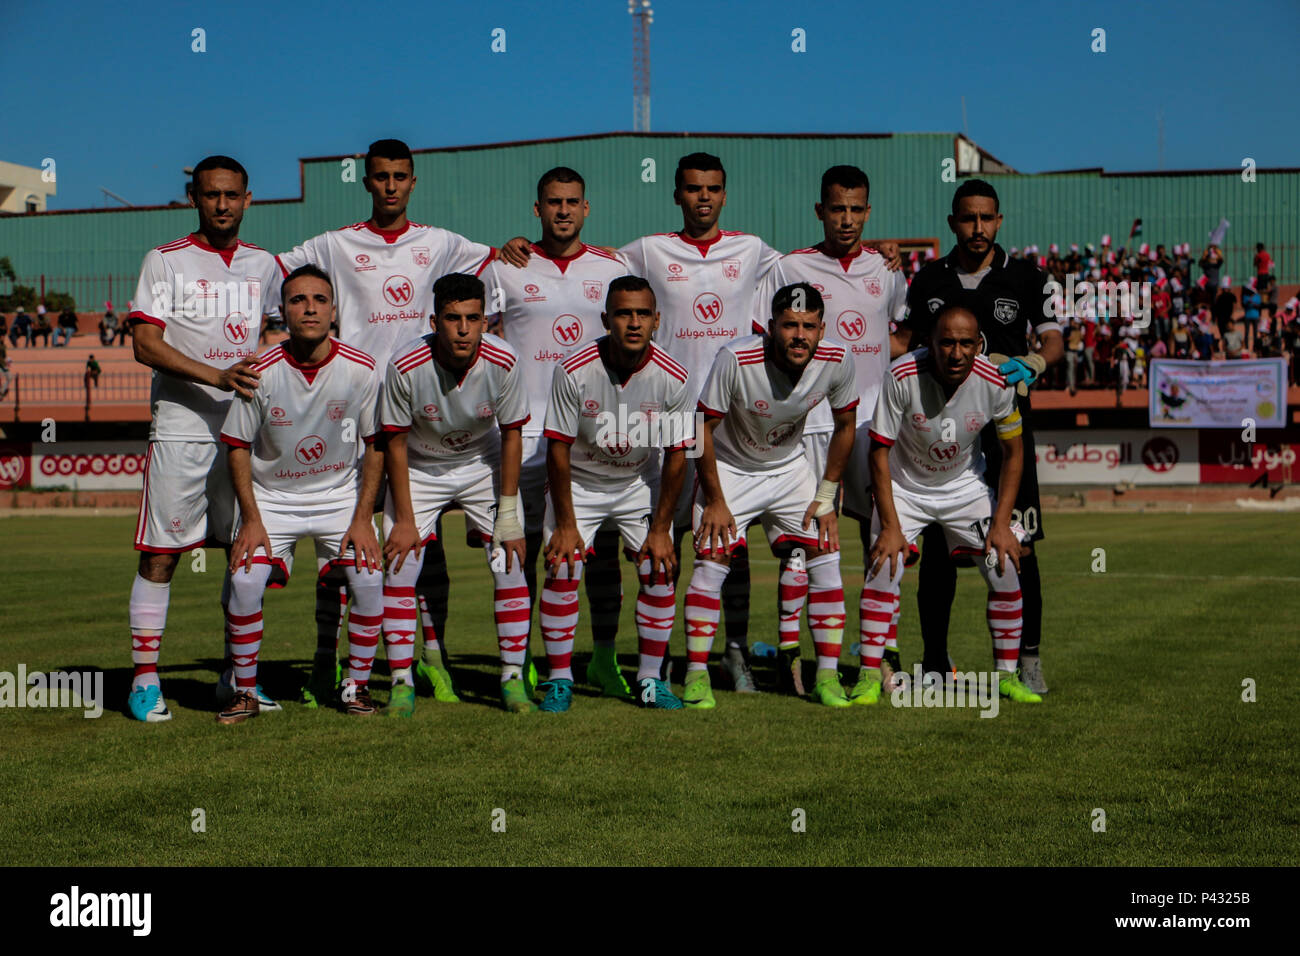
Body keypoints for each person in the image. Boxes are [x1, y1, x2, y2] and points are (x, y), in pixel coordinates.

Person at [276, 139, 526, 707]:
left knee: (419, 550)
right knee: (347, 552)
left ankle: (428, 662)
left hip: (426, 411)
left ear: (414, 182)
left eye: (400, 177)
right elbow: (270, 273)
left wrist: (522, 246)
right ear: (366, 181)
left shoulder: (439, 243)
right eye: (381, 177)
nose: (390, 186)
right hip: (356, 411)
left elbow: (496, 266)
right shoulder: (334, 244)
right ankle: (327, 664)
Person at [123, 155, 283, 723]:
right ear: (195, 196)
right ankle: (144, 681)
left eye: (232, 195)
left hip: (244, 434)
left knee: (243, 557)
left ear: (247, 199)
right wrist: (217, 376)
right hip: (183, 430)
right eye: (212, 194)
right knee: (162, 554)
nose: (222, 204)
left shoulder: (266, 266)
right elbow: (145, 344)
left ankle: (236, 681)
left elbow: (281, 334)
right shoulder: (165, 262)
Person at [901, 179, 1062, 695]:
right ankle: (932, 661)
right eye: (968, 219)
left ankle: (1027, 659)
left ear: (999, 221)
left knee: (1020, 547)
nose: (977, 228)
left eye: (986, 218)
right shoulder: (928, 280)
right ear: (953, 223)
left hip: (1006, 430)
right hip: (943, 433)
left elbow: (1056, 337)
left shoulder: (1027, 278)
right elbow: (904, 344)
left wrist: (1035, 360)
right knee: (936, 546)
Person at [754, 165, 911, 689]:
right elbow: (765, 340)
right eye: (836, 208)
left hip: (874, 425)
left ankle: (881, 654)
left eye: (856, 209)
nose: (846, 219)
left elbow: (902, 338)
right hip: (809, 426)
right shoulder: (790, 266)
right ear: (820, 210)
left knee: (883, 537)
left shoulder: (887, 270)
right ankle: (792, 653)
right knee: (805, 544)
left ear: (869, 212)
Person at [481, 167, 633, 699]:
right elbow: (470, 330)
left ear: (586, 208)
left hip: (593, 431)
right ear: (536, 209)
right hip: (523, 432)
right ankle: (519, 659)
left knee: (602, 550)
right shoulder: (505, 268)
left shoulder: (613, 266)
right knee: (519, 548)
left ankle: (604, 658)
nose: (563, 210)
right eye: (553, 202)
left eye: (572, 202)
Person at [217, 264, 385, 721]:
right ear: (281, 312)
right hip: (272, 499)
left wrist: (363, 517)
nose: (309, 308)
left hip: (339, 498)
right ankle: (246, 690)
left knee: (369, 578)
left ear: (334, 311)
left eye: (319, 300)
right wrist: (251, 519)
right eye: (297, 300)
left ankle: (355, 687)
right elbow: (236, 447)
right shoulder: (259, 371)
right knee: (245, 580)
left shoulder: (362, 370)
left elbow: (375, 446)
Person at [685, 282, 858, 708]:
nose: (800, 335)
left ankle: (828, 678)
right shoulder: (736, 358)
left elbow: (846, 426)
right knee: (713, 558)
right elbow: (698, 430)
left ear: (822, 329)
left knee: (825, 551)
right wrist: (716, 500)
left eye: (809, 326)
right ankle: (695, 676)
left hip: (789, 468)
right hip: (730, 469)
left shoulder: (838, 359)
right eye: (790, 325)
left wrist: (828, 492)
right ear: (770, 328)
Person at [863, 305, 1041, 704]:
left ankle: (1007, 677)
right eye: (947, 342)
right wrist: (891, 526)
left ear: (979, 345)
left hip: (965, 489)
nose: (956, 353)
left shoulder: (995, 381)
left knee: (1006, 563)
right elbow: (877, 453)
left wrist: (1000, 522)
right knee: (881, 566)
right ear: (930, 343)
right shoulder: (901, 375)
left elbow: (1013, 453)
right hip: (906, 488)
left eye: (965, 343)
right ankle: (869, 676)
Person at [537, 275, 694, 711]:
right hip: (581, 483)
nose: (634, 322)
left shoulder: (675, 376)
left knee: (659, 568)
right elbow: (558, 450)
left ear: (657, 320)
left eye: (643, 313)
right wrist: (566, 525)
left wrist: (661, 529)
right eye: (624, 313)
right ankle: (560, 679)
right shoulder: (573, 369)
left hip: (636, 483)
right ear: (606, 319)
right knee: (563, 566)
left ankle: (648, 680)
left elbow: (678, 455)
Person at [379, 272, 533, 714]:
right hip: (420, 467)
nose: (463, 329)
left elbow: (512, 436)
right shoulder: (405, 365)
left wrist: (507, 513)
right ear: (434, 320)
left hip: (481, 465)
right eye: (452, 319)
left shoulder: (504, 360)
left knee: (510, 560)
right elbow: (392, 442)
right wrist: (405, 521)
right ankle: (401, 683)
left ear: (486, 321)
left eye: (472, 318)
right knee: (399, 564)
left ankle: (512, 680)